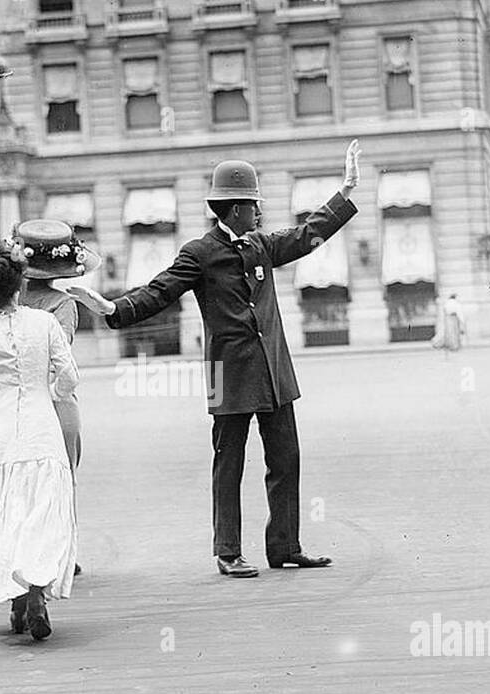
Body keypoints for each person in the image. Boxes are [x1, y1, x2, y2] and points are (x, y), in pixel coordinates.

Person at [69, 140, 360, 578]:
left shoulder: (261, 245)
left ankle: (284, 546)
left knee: (286, 460)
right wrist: (114, 310)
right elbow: (160, 290)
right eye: (255, 204)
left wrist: (346, 192)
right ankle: (228, 552)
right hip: (229, 376)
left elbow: (306, 237)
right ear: (235, 208)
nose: (260, 211)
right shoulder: (199, 253)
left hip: (274, 372)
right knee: (230, 463)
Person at [0, 243, 79, 640]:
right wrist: (52, 393)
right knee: (40, 508)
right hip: (42, 427)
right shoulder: (44, 324)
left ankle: (16, 598)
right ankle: (37, 587)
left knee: (6, 509)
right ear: (20, 282)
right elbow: (69, 377)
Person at [16, 220, 104, 576]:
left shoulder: (13, 300)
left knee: (24, 480)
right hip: (55, 398)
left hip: (20, 398)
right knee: (63, 474)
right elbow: (60, 356)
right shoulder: (63, 305)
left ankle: (28, 551)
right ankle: (61, 548)